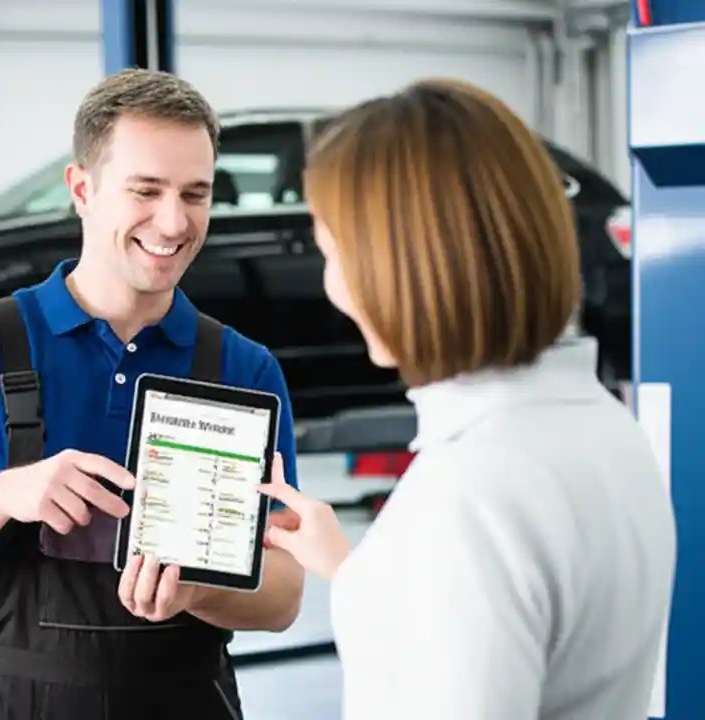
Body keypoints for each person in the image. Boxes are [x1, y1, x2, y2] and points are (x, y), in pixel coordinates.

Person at [0, 68, 305, 719]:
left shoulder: (243, 370)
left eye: (196, 193)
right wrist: (4, 493)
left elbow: (283, 597)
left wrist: (193, 592)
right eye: (146, 190)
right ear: (82, 189)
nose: (174, 220)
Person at [257, 77, 677, 719]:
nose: (332, 287)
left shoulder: (470, 496)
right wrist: (354, 571)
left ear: (401, 266)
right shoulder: (601, 428)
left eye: (333, 254)